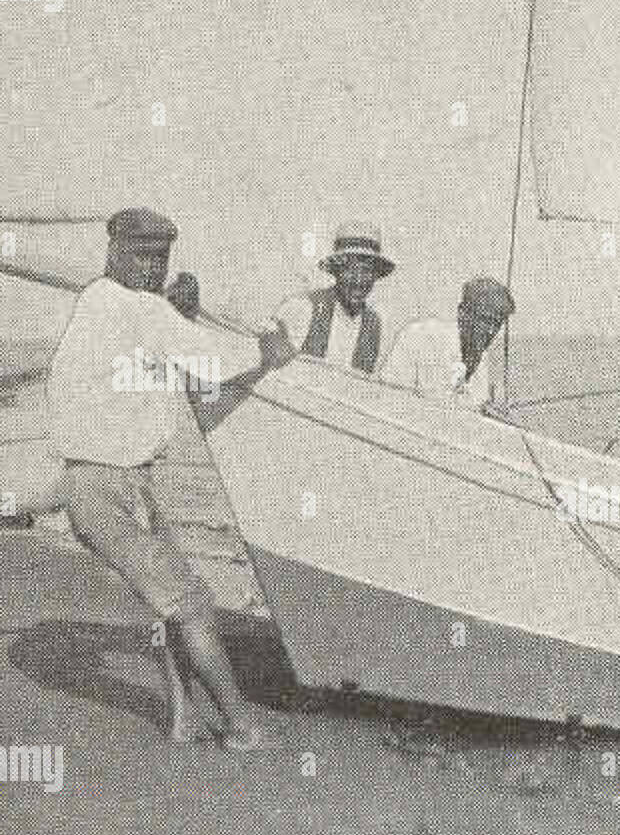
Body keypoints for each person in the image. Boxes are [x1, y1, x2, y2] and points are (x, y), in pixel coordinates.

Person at [46, 207, 293, 750]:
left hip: (120, 484)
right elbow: (209, 363)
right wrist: (267, 353)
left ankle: (182, 718)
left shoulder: (101, 303)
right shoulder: (132, 307)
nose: (152, 268)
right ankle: (241, 726)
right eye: (141, 257)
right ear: (113, 253)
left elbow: (170, 371)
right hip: (104, 491)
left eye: (160, 259)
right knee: (192, 605)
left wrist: (169, 312)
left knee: (177, 600)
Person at [273, 222, 395, 374]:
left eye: (366, 271)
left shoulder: (373, 324)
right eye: (350, 270)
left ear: (376, 275)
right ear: (336, 271)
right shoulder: (303, 308)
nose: (358, 280)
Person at [382, 276, 515, 411]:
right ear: (462, 312)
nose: (490, 331)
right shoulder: (418, 336)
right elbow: (389, 399)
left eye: (497, 324)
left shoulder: (483, 361)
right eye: (484, 320)